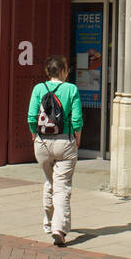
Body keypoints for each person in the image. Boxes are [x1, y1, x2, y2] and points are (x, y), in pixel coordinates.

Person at [27, 55, 83, 246]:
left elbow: (31, 116)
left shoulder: (38, 89)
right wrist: (77, 136)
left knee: (50, 180)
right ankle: (59, 227)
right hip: (64, 142)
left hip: (42, 143)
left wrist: (34, 134)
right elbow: (76, 118)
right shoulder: (71, 89)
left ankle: (47, 221)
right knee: (62, 186)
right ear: (63, 71)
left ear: (47, 71)